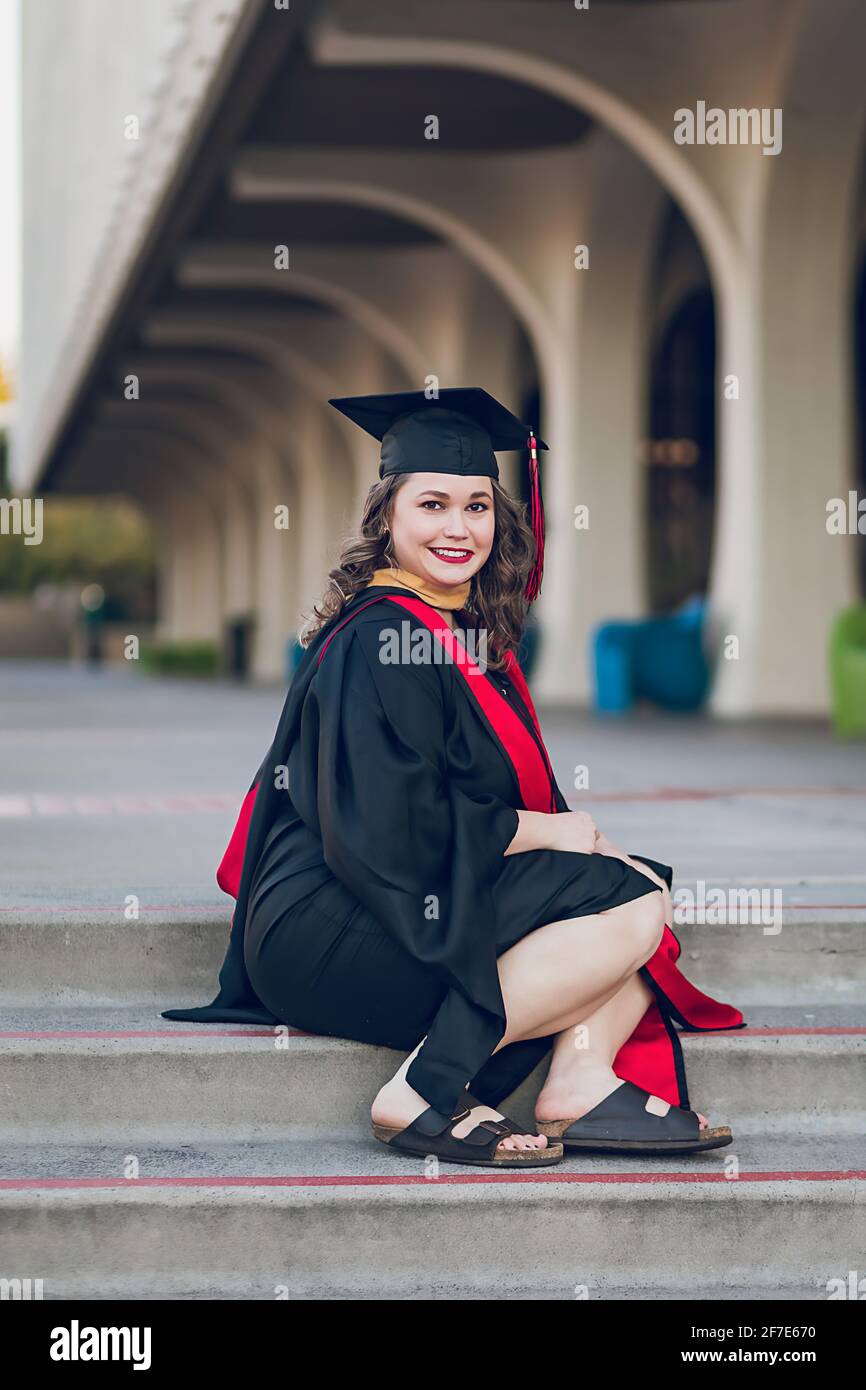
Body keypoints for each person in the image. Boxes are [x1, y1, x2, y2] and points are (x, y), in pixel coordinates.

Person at [163, 387, 745, 1168]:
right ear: (386, 518)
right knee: (628, 902)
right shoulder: (383, 639)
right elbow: (393, 824)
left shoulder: (445, 630)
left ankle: (578, 1077)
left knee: (635, 883)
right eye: (432, 504)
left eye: (477, 507)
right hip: (330, 924)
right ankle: (423, 1089)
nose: (458, 528)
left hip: (382, 901)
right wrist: (548, 832)